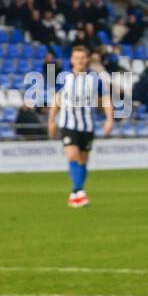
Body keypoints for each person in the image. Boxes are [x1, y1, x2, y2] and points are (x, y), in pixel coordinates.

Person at [46, 44, 113, 208]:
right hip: (68, 123)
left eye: (82, 58)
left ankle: (76, 194)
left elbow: (105, 99)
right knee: (72, 156)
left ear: (87, 59)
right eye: (76, 58)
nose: (79, 61)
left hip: (88, 124)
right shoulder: (63, 77)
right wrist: (51, 121)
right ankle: (79, 192)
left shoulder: (95, 78)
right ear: (71, 60)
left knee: (83, 161)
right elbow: (57, 100)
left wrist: (109, 119)